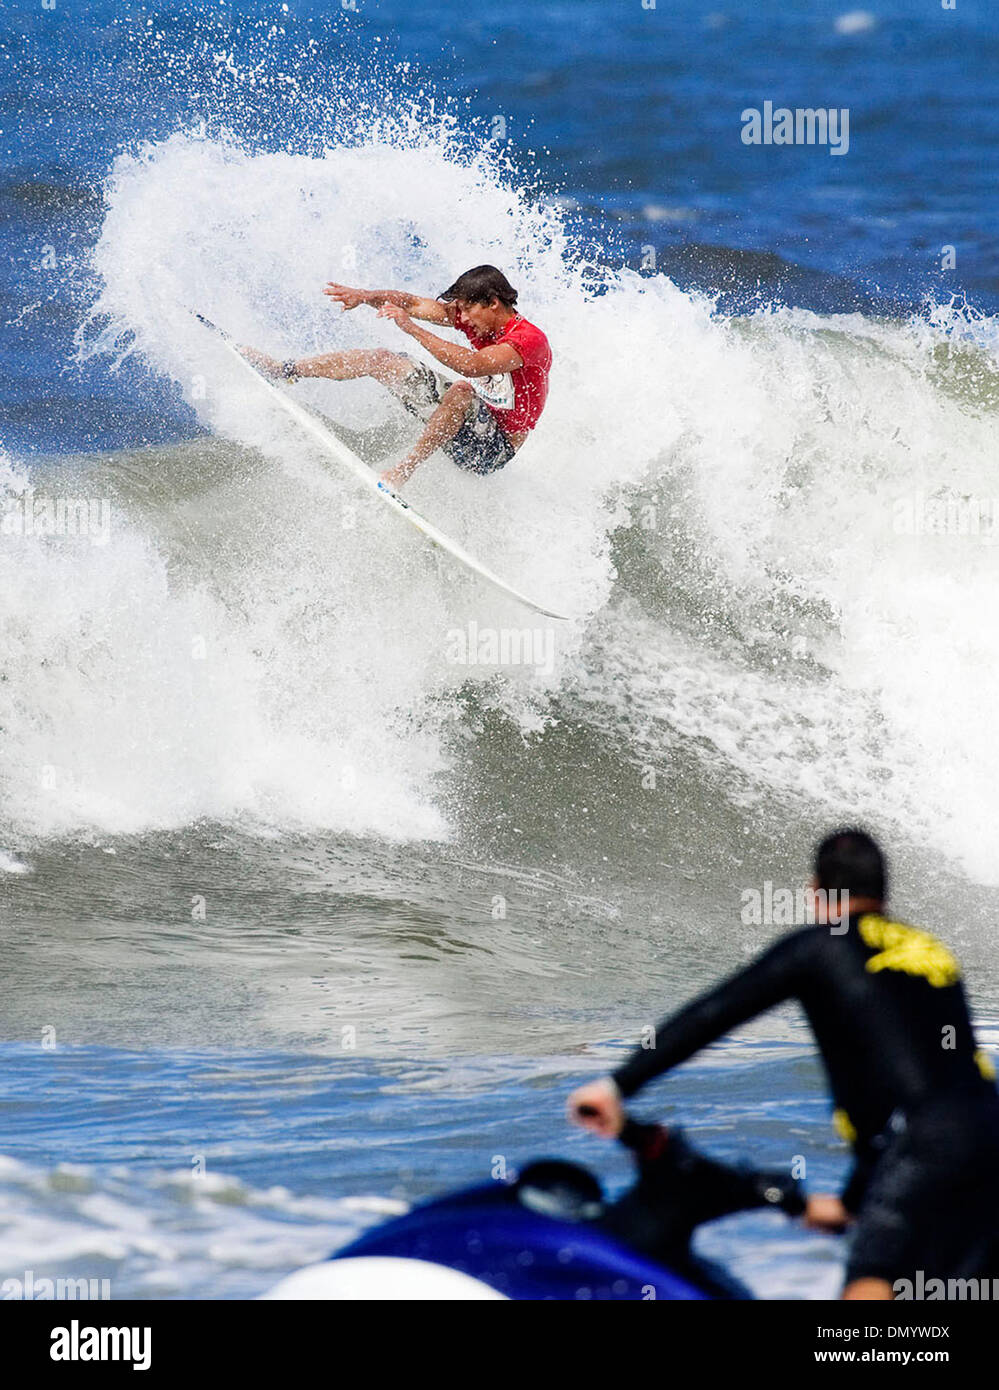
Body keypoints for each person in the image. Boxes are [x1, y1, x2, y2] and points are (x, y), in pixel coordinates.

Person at [568, 830, 999, 1300]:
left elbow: (717, 1011)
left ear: (816, 892)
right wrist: (856, 1200)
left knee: (872, 1288)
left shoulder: (822, 946)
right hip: (987, 1133)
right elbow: (924, 1075)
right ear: (883, 891)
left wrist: (618, 1084)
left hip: (921, 1143)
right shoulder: (931, 953)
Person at [241, 265, 552, 491]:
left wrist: (411, 329)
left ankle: (402, 473)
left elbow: (472, 365)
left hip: (491, 450)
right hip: (463, 422)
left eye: (468, 310)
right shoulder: (477, 320)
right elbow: (414, 304)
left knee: (460, 389)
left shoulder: (528, 340)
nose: (464, 319)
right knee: (381, 359)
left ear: (493, 303)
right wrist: (364, 296)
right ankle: (284, 369)